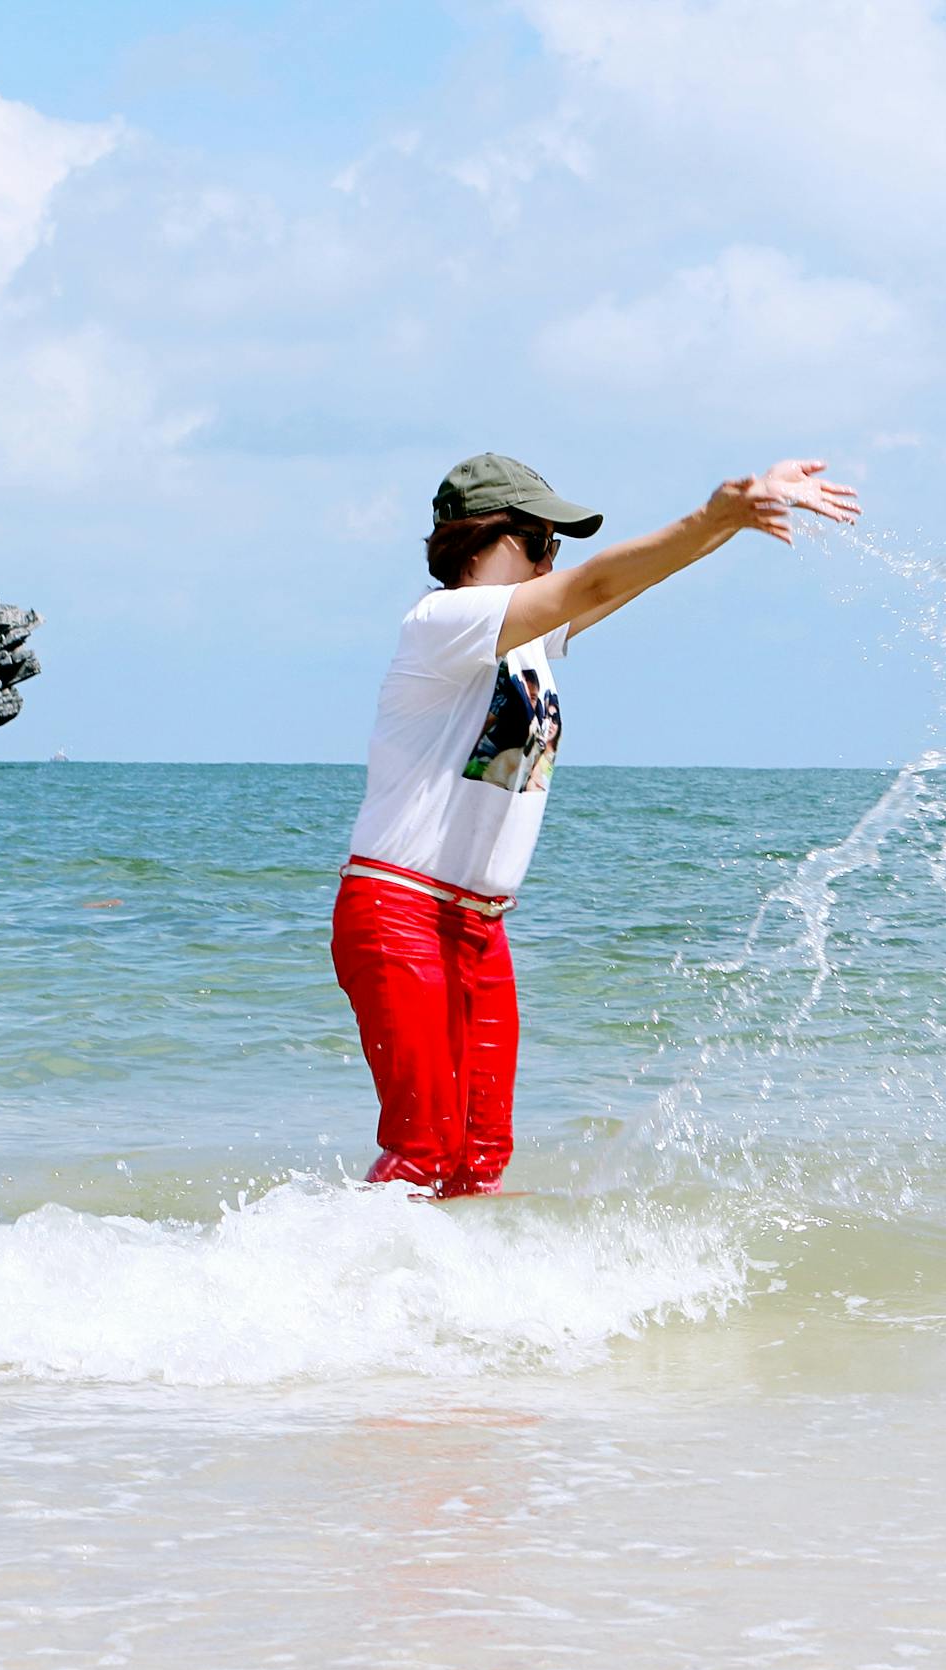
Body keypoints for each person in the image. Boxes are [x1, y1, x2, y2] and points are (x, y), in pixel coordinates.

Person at [333, 450, 860, 1196]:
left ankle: (451, 1277)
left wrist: (737, 520)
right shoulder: (443, 622)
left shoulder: (528, 642)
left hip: (480, 927)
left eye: (556, 547)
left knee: (479, 1160)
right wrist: (710, 513)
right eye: (540, 542)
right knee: (423, 1151)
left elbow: (633, 578)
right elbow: (598, 580)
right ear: (480, 540)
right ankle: (323, 1265)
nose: (553, 560)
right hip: (402, 913)